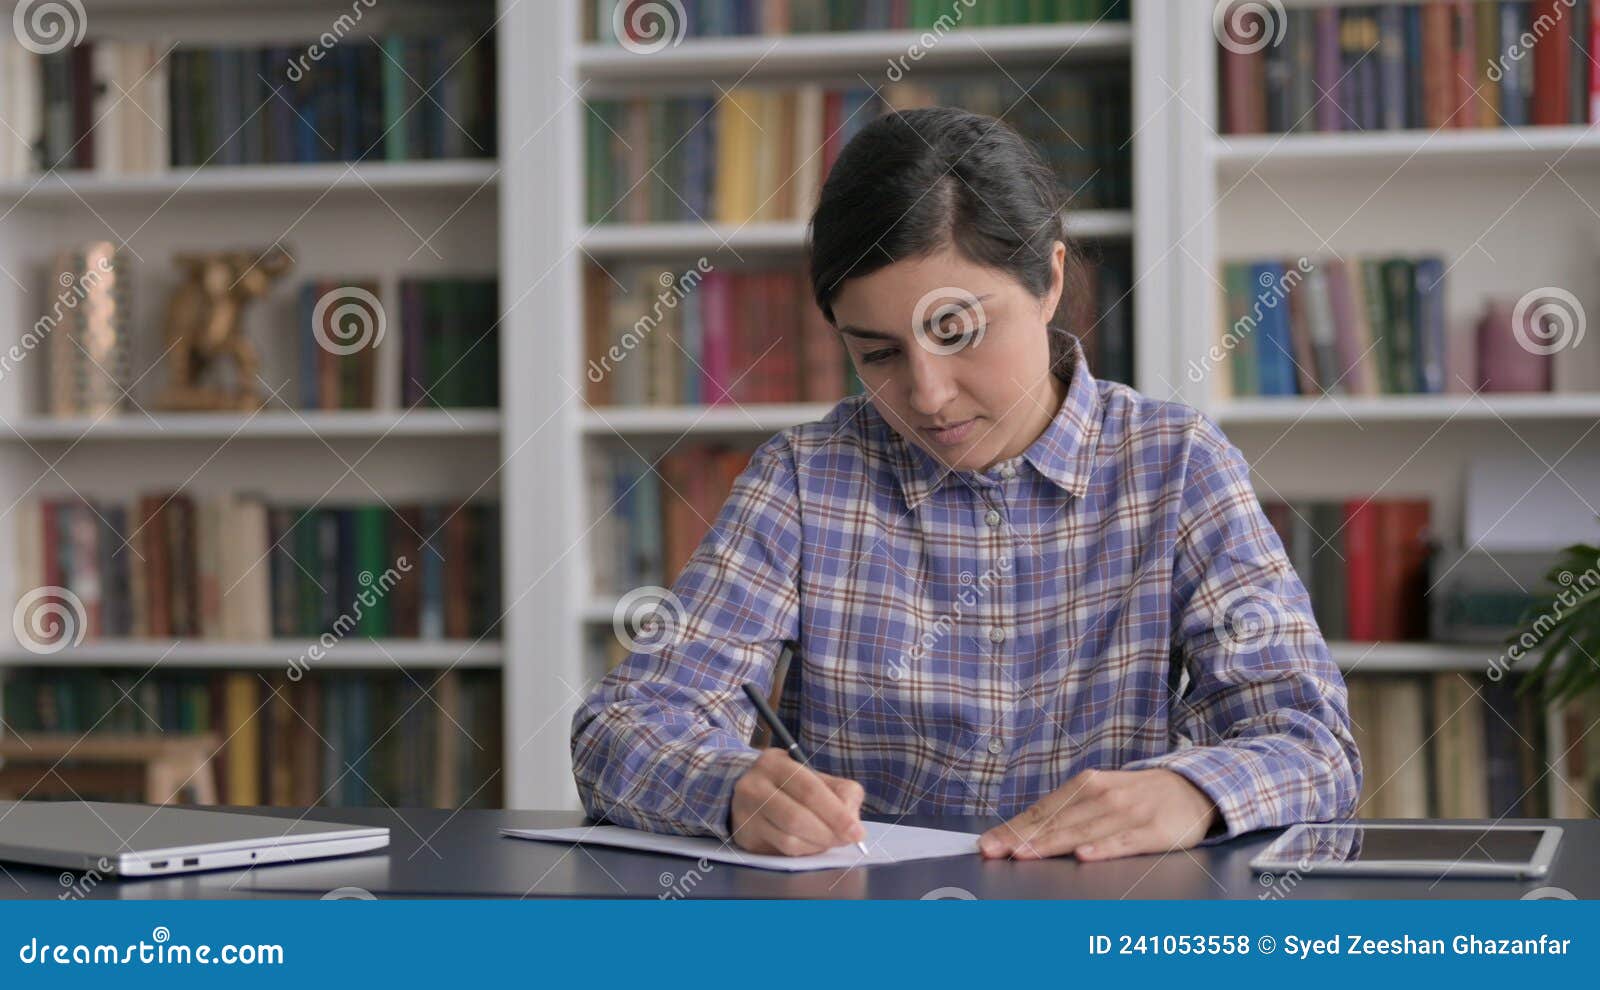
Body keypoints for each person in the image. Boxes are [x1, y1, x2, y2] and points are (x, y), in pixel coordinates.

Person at [570, 106, 1361, 863]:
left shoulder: (1177, 465)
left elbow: (1312, 745)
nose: (928, 395)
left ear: (1049, 280)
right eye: (878, 354)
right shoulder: (804, 482)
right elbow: (622, 728)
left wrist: (1191, 792)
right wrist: (733, 787)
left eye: (958, 332)